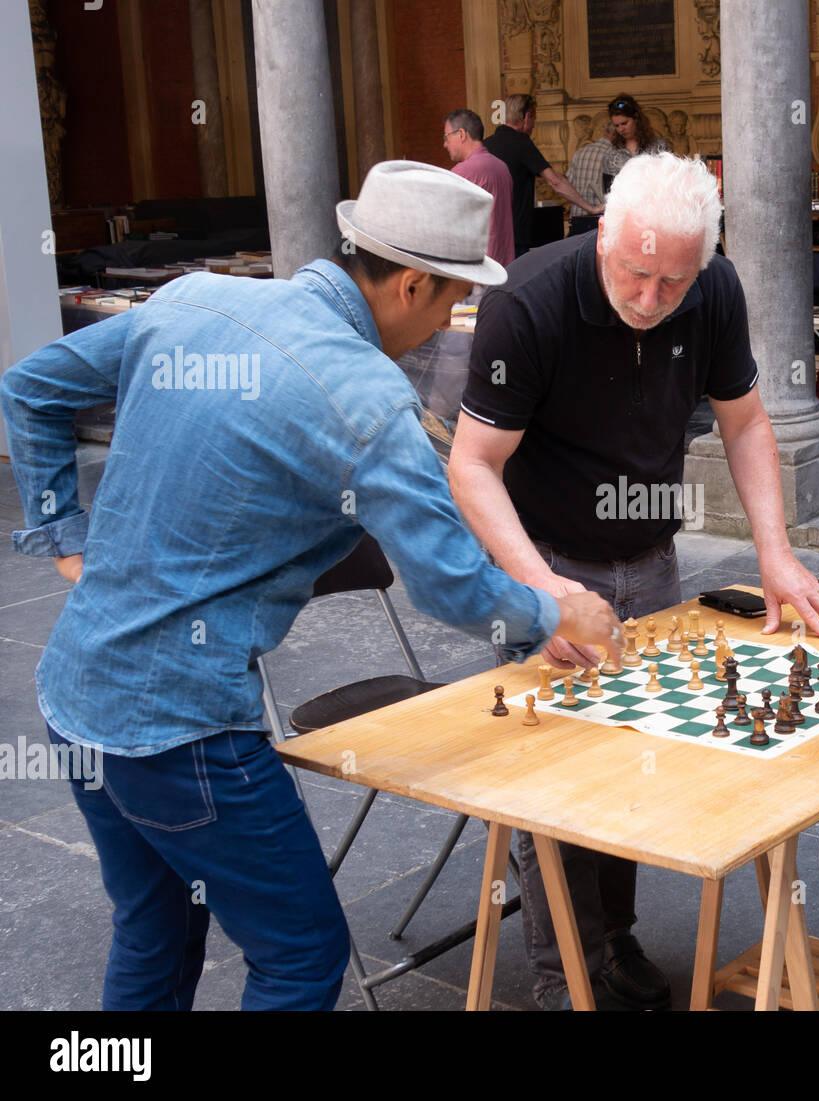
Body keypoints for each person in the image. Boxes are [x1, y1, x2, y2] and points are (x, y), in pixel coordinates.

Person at [0, 160, 622, 1011]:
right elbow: (446, 587)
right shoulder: (365, 398)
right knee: (302, 955)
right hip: (180, 733)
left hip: (72, 696)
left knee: (154, 933)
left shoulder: (191, 299)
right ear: (410, 283)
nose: (450, 324)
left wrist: (63, 532)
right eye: (450, 302)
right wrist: (558, 607)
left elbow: (27, 387)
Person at [447, 151, 819, 1010]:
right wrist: (541, 591)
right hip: (543, 556)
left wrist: (773, 551)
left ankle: (615, 944)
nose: (650, 297)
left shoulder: (714, 288)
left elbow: (746, 425)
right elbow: (474, 465)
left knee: (635, 767)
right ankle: (565, 980)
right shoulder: (528, 300)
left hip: (652, 556)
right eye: (635, 271)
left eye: (674, 280)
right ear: (603, 233)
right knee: (551, 783)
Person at [483, 93, 603, 256]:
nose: (533, 126)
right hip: (515, 237)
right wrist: (591, 207)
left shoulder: (486, 144)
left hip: (488, 236)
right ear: (527, 117)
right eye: (534, 119)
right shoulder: (521, 142)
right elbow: (554, 181)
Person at [443, 108, 514, 266]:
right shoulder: (502, 167)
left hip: (477, 270)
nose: (445, 144)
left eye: (447, 136)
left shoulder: (462, 173)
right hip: (505, 265)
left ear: (461, 134)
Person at [603, 93, 671, 185]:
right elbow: (607, 190)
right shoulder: (611, 152)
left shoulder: (660, 146)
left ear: (636, 118)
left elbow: (670, 180)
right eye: (617, 125)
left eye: (624, 123)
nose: (621, 129)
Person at [567, 117, 615, 209]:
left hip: (577, 216)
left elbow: (568, 184)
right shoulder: (615, 155)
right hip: (601, 217)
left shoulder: (581, 151)